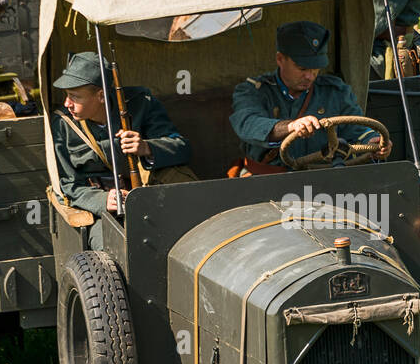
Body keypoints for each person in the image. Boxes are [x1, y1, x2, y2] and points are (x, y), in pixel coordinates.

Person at [230, 21, 391, 174]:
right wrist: (291, 127)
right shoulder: (252, 91)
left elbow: (356, 130)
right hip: (266, 184)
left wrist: (372, 141)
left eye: (315, 69)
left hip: (324, 183)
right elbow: (247, 123)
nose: (310, 76)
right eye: (302, 68)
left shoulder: (335, 91)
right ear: (280, 59)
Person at [49, 52, 195, 218]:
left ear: (101, 96)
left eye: (74, 97)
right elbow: (68, 184)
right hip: (100, 212)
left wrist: (147, 147)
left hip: (150, 198)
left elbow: (182, 149)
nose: (67, 103)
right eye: (67, 95)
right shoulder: (63, 125)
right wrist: (102, 200)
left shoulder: (141, 103)